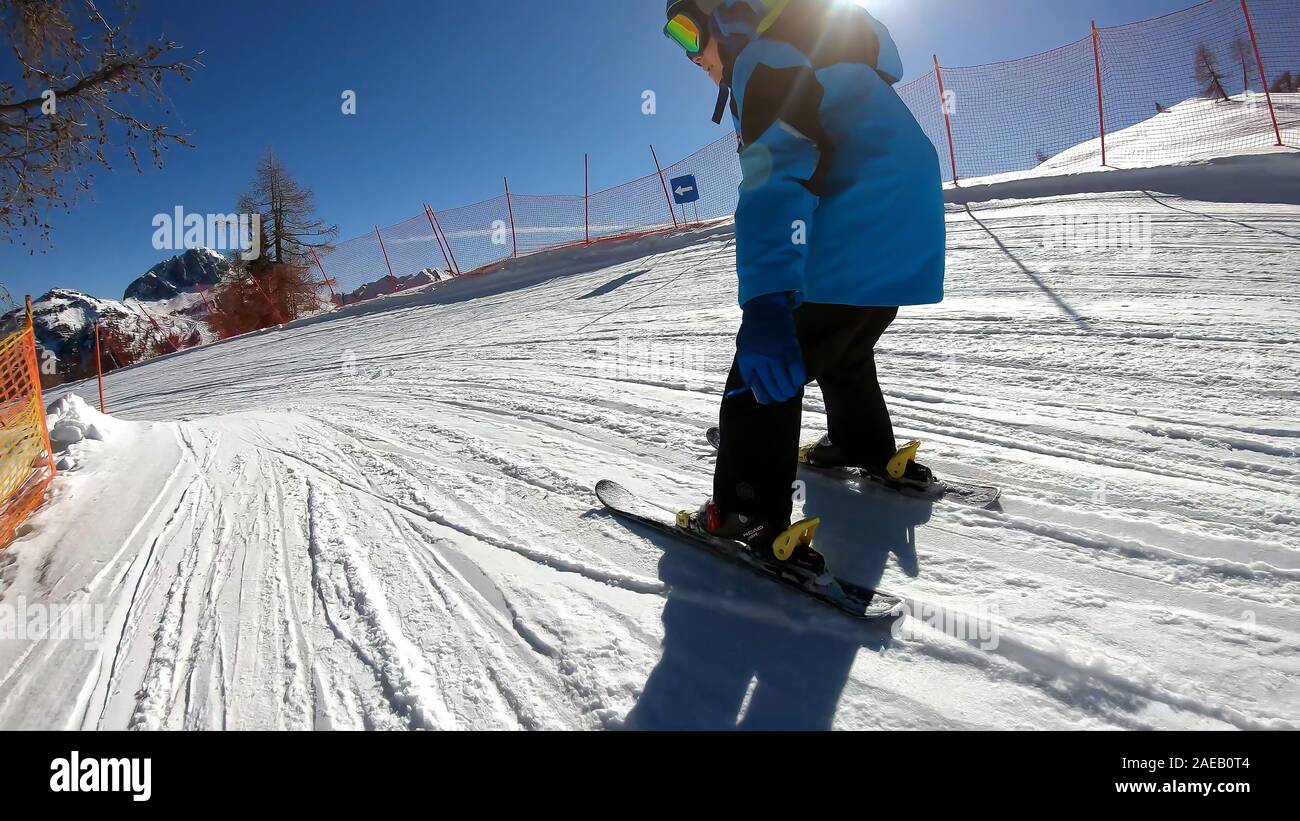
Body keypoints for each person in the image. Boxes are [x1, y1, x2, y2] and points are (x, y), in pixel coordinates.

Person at [663, 0, 946, 566]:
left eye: (690, 29)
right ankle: (859, 443)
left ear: (729, 15)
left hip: (851, 234)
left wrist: (766, 299)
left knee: (759, 377)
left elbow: (775, 179)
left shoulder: (766, 60)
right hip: (902, 246)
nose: (690, 52)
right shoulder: (832, 51)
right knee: (842, 348)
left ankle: (745, 511)